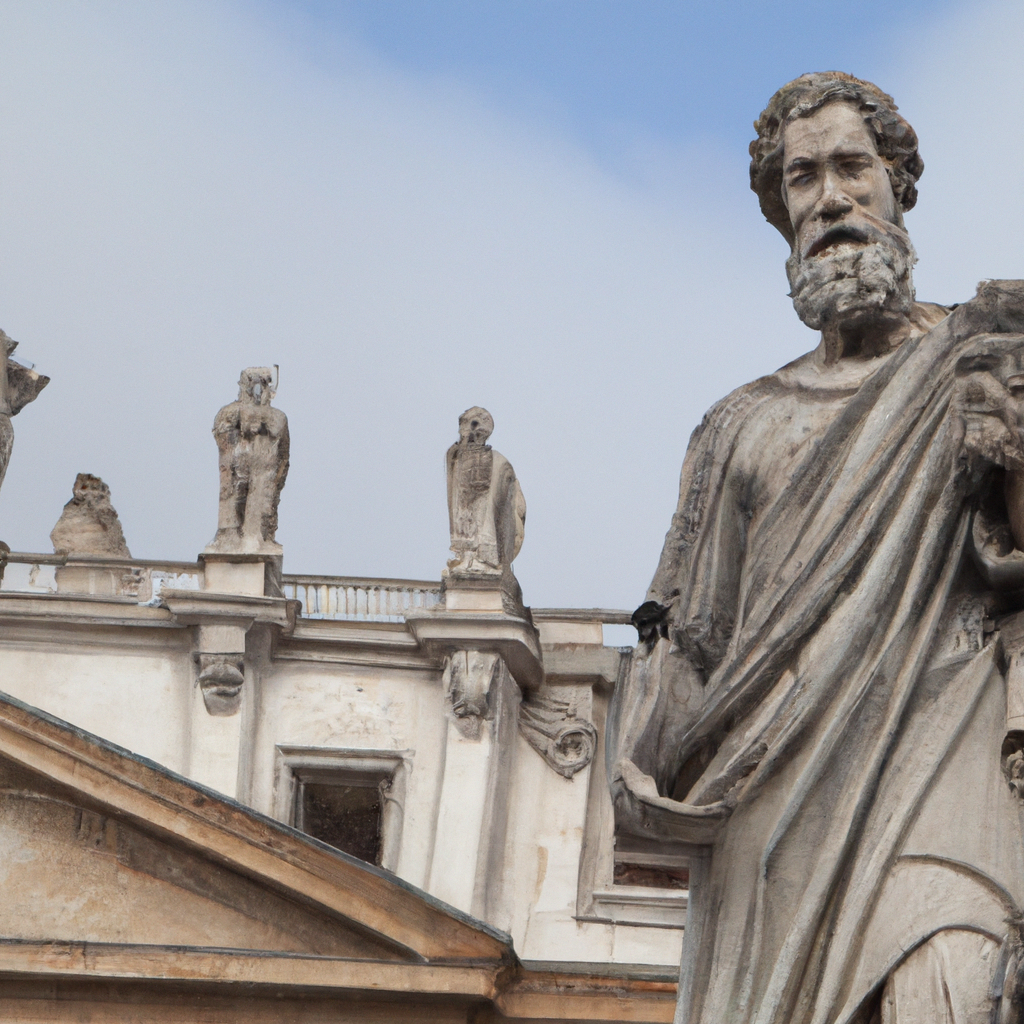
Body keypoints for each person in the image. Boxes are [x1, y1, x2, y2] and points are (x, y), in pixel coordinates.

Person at [610, 72, 1024, 1024]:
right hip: (776, 786)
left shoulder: (982, 360)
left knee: (956, 978)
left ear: (897, 184)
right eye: (804, 179)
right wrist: (641, 759)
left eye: (852, 167)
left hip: (941, 736)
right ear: (783, 212)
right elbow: (693, 634)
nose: (831, 198)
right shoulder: (738, 425)